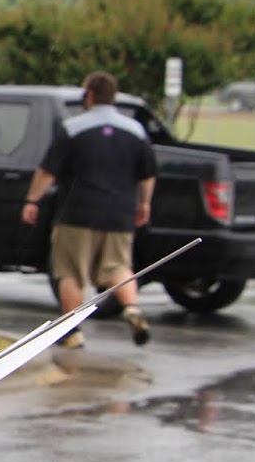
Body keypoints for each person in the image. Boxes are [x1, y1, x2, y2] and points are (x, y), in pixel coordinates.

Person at [20, 71, 157, 348]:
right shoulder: (135, 131)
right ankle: (132, 308)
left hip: (77, 213)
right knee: (119, 266)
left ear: (90, 95)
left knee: (70, 271)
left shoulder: (73, 128)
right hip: (120, 213)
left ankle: (72, 332)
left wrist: (32, 200)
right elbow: (147, 175)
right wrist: (144, 203)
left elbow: (47, 171)